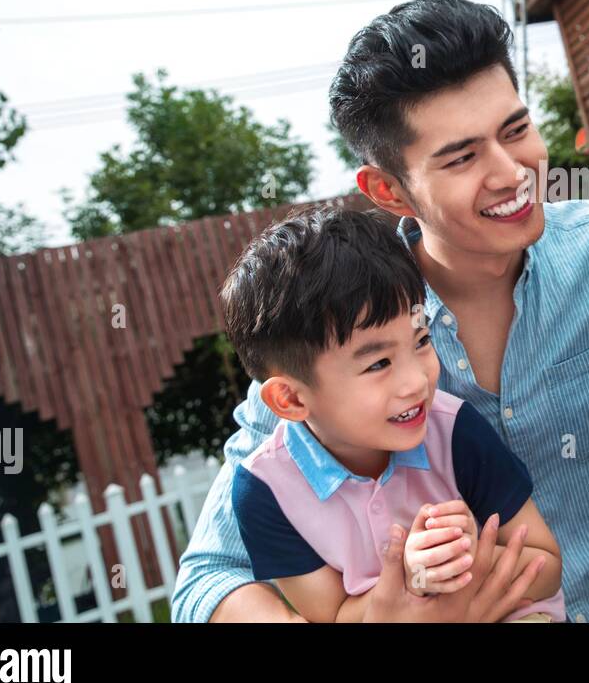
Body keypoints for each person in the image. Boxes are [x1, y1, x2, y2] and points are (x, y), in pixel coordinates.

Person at [172, 0, 589, 623]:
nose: (513, 173)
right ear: (388, 190)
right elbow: (205, 582)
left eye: (515, 131)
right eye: (461, 157)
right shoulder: (333, 334)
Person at [221, 206, 564, 622]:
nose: (416, 382)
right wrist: (412, 577)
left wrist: (466, 557)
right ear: (290, 400)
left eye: (421, 340)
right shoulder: (265, 492)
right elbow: (334, 616)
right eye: (378, 364)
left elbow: (545, 565)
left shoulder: (454, 430)